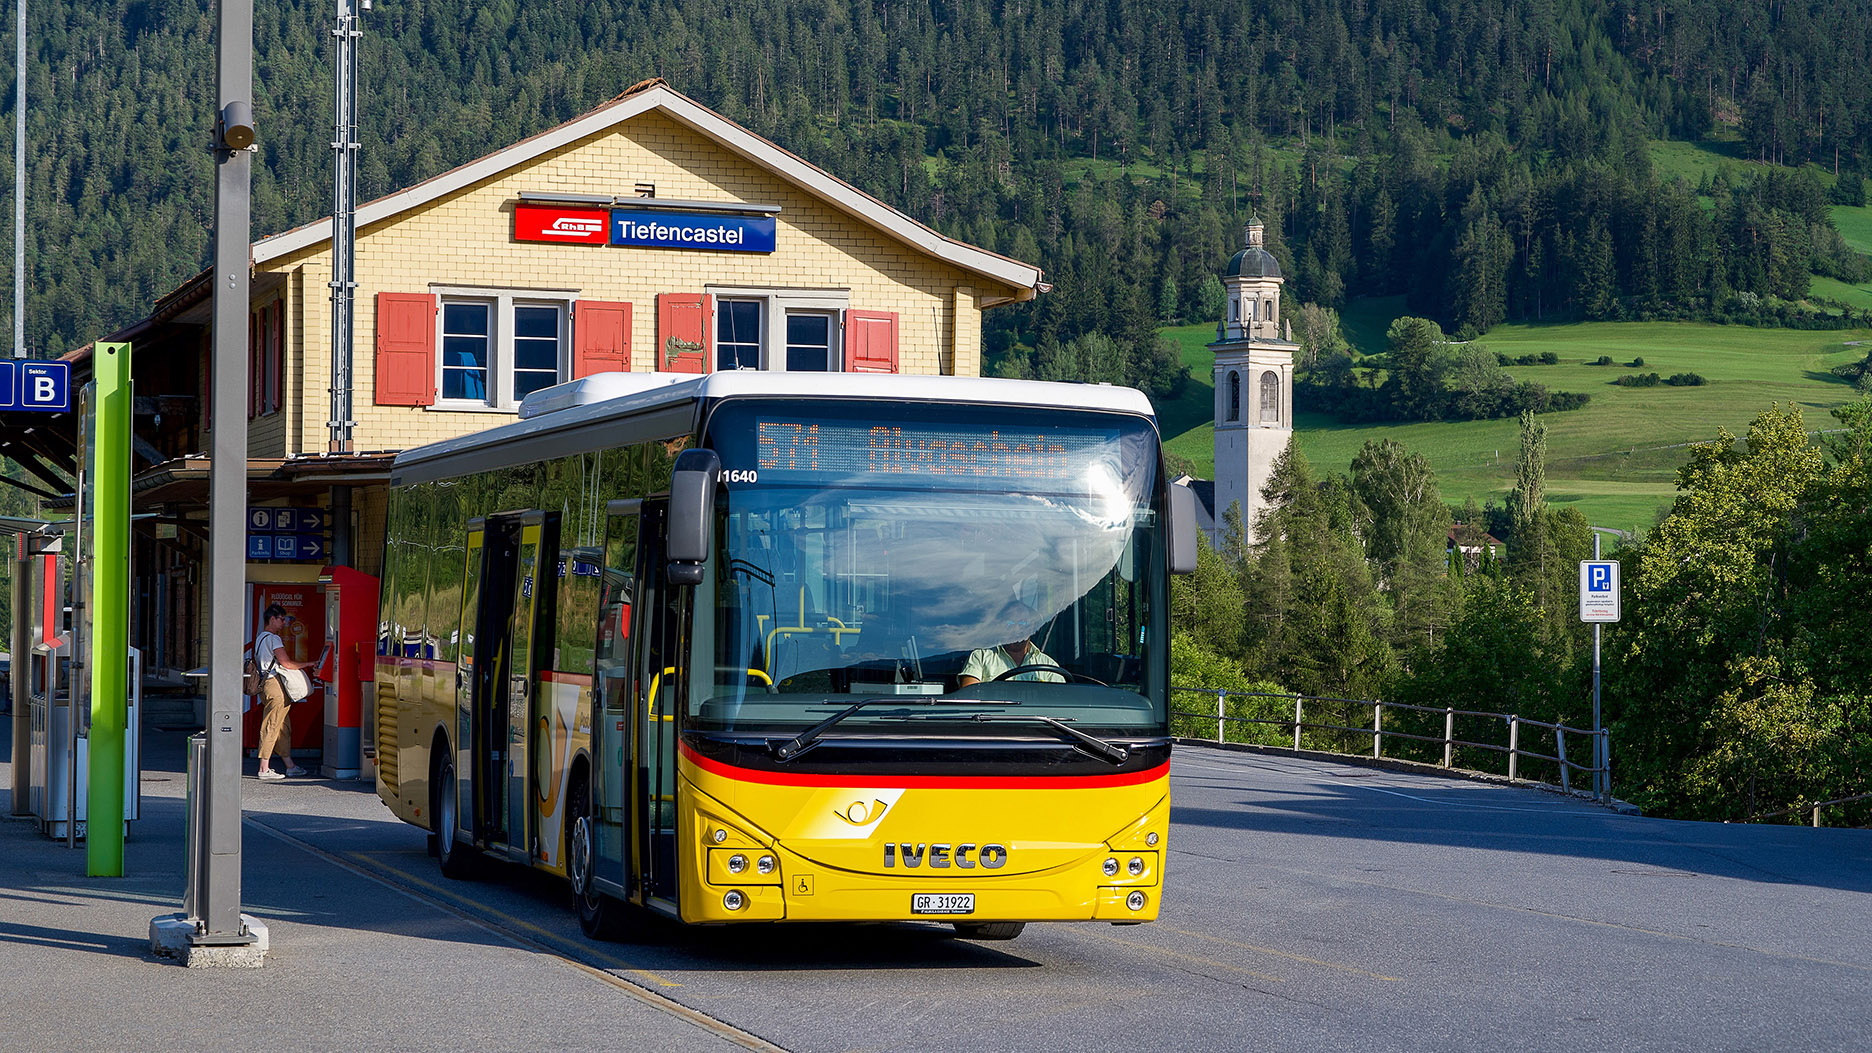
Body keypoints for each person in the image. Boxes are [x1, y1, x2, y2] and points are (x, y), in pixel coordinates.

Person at [253, 604, 315, 780]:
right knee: (272, 725)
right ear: (272, 619)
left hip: (266, 686)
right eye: (281, 619)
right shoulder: (273, 639)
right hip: (275, 686)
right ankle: (264, 769)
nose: (283, 623)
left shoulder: (260, 638)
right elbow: (286, 664)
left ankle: (290, 766)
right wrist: (309, 664)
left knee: (282, 727)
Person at [957, 603, 1065, 687]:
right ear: (1000, 626)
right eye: (1010, 623)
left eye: (1023, 623)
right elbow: (970, 698)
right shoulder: (980, 657)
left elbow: (1061, 702)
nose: (1016, 629)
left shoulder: (1049, 666)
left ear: (1032, 628)